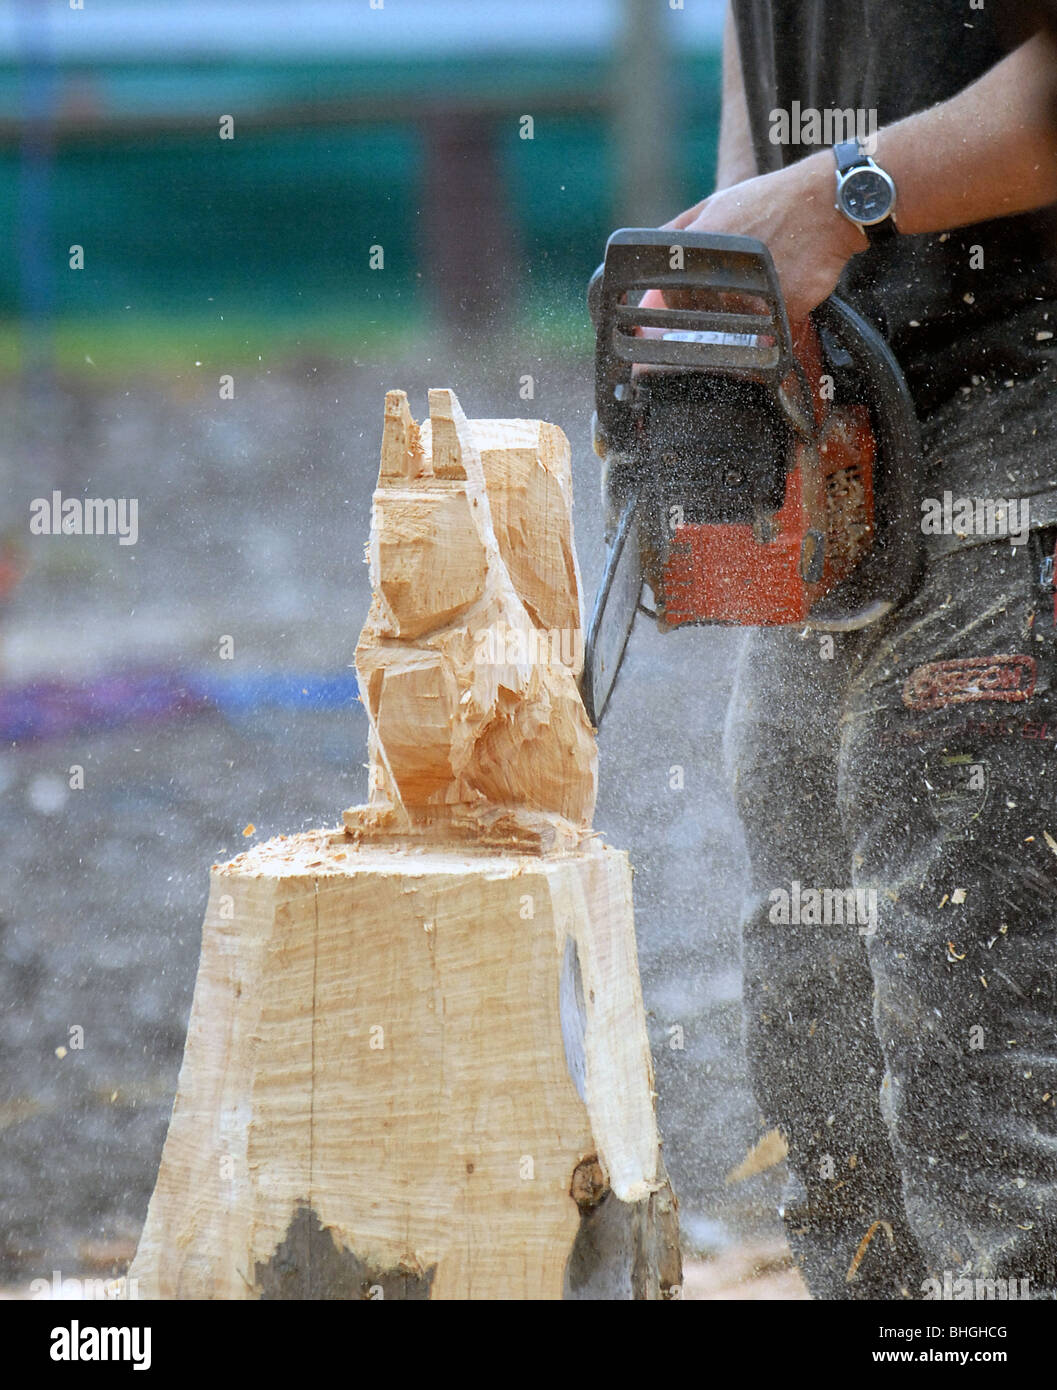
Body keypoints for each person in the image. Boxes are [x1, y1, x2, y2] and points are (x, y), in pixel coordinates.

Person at [658, 2, 1057, 1298]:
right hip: (858, 425)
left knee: (984, 1071)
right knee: (817, 1026)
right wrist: (747, 224)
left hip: (1023, 432)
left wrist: (837, 199)